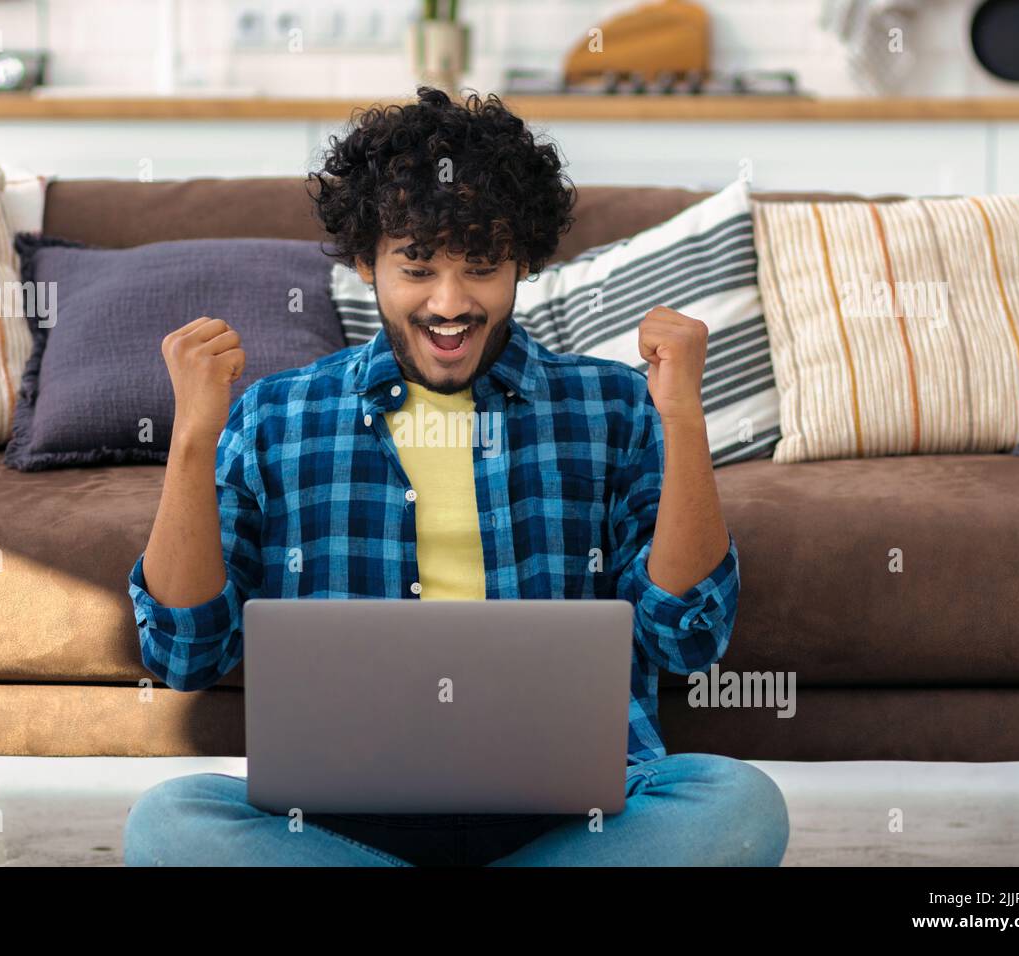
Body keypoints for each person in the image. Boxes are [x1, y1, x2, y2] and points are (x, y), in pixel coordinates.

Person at [122, 86, 790, 867]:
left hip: (572, 823)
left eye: (481, 267)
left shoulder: (612, 404)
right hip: (343, 824)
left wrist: (683, 419)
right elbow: (182, 653)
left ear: (522, 262)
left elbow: (688, 638)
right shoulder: (276, 416)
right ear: (366, 263)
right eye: (417, 268)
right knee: (171, 823)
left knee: (737, 806)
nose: (450, 303)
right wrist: (193, 440)